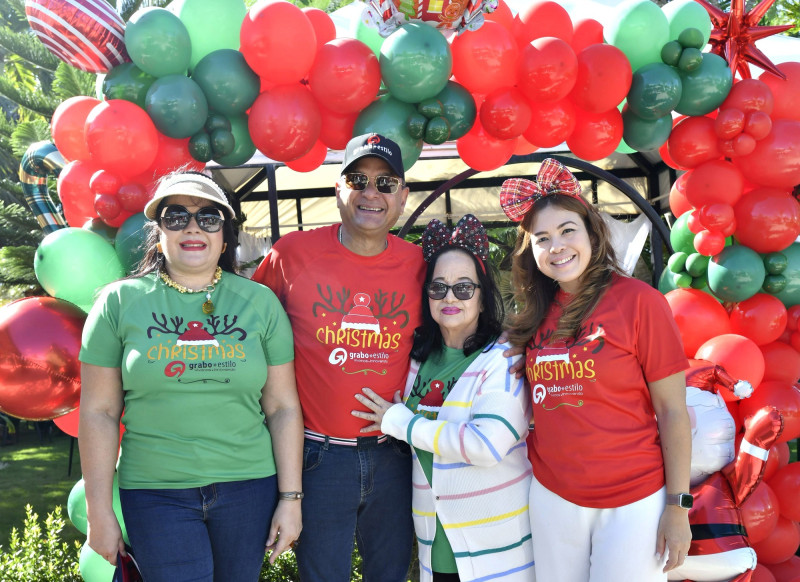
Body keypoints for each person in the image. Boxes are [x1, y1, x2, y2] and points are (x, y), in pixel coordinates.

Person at [79, 171, 303, 582]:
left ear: (225, 232)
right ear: (158, 231)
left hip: (249, 487)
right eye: (176, 216)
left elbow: (283, 406)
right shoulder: (118, 303)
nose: (194, 227)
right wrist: (98, 510)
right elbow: (99, 412)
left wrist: (291, 498)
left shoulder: (261, 303)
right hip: (155, 492)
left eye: (208, 217)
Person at [501, 158, 692, 582]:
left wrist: (678, 507)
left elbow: (673, 412)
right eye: (542, 238)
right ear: (530, 252)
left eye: (568, 230)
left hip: (634, 501)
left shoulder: (640, 302)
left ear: (592, 232)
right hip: (553, 499)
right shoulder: (532, 317)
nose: (557, 246)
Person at [252, 133, 425, 581]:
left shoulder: (421, 266)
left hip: (395, 454)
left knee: (390, 574)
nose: (371, 193)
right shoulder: (290, 255)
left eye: (386, 183)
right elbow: (248, 336)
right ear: (338, 189)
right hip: (317, 456)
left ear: (403, 197)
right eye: (358, 179)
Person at [353, 214, 535, 582]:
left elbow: (486, 445)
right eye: (438, 288)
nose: (450, 297)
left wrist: (402, 423)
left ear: (483, 298)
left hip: (496, 551)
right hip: (434, 547)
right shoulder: (417, 360)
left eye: (464, 288)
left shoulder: (502, 359)